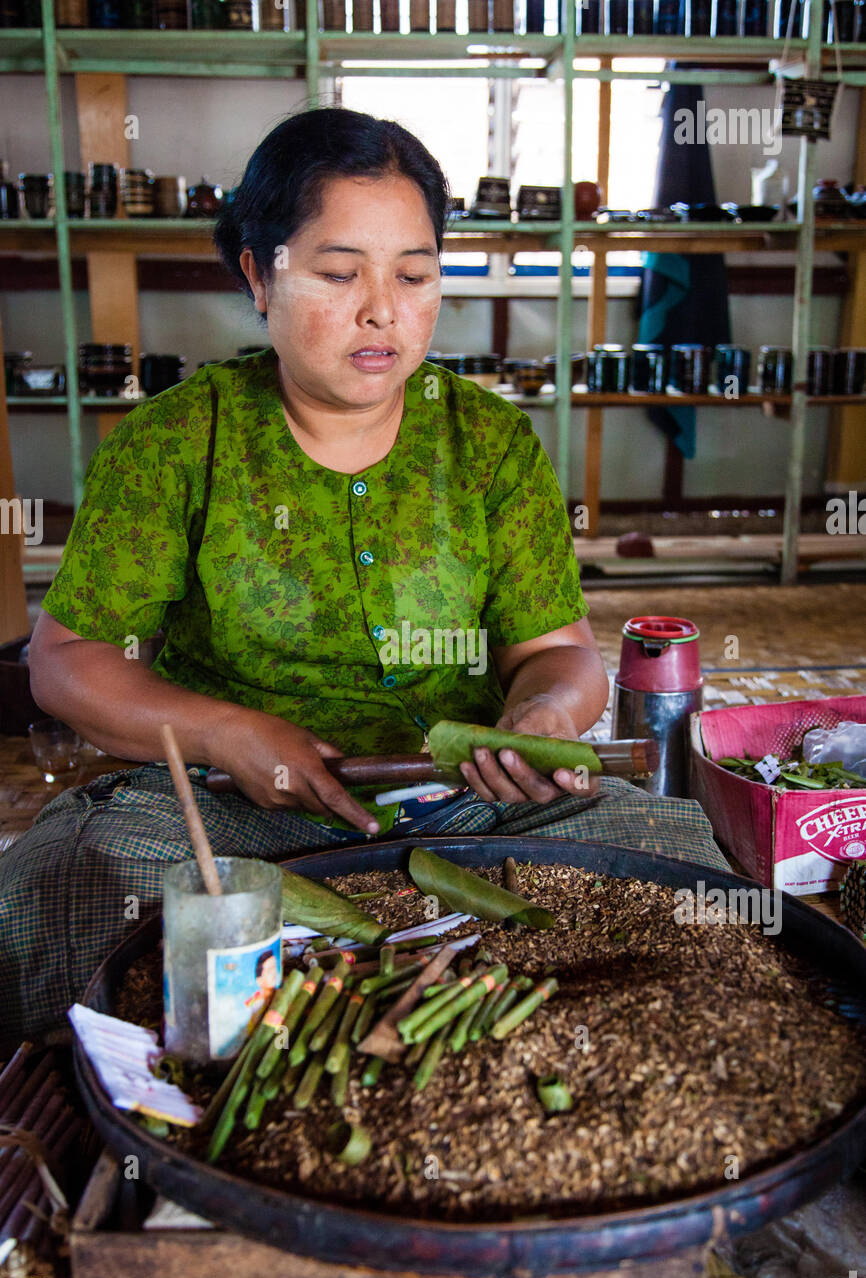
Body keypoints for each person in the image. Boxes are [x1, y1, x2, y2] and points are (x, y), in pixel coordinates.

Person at [0, 108, 726, 1046]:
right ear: (260, 274)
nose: (383, 309)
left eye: (415, 275)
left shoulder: (489, 442)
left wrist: (543, 715)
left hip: (465, 803)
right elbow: (66, 660)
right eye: (340, 274)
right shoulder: (176, 443)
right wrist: (229, 732)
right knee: (68, 882)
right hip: (228, 812)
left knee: (668, 852)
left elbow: (557, 654)